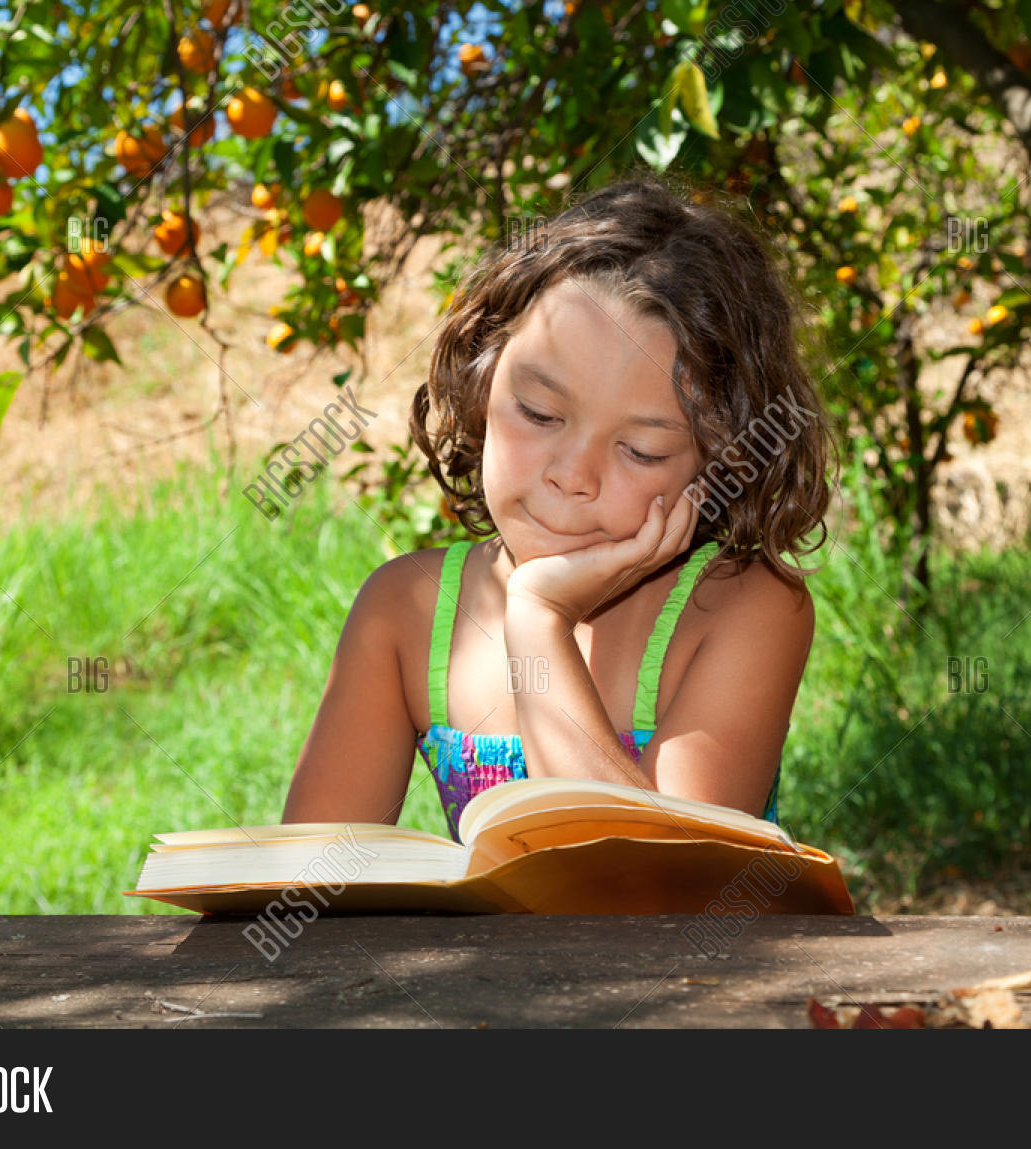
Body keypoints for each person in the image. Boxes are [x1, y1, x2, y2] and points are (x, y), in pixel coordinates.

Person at [282, 174, 839, 842]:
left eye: (639, 450)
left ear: (721, 463)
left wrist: (539, 618)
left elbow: (655, 889)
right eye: (539, 412)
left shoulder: (744, 608)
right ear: (483, 377)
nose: (572, 476)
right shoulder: (408, 612)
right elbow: (305, 892)